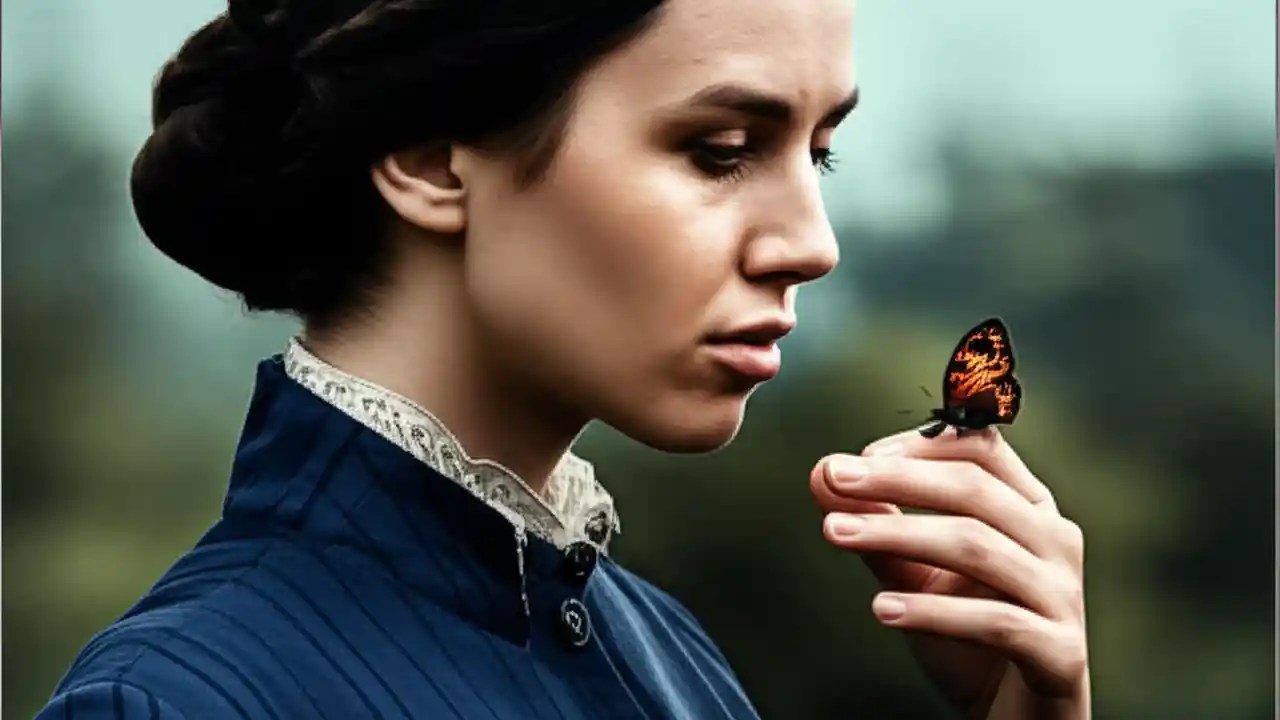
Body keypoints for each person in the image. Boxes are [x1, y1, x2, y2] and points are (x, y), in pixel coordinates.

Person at [35, 0, 1091, 717]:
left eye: (818, 154)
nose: (812, 243)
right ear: (427, 157)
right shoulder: (175, 699)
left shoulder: (666, 656)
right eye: (720, 150)